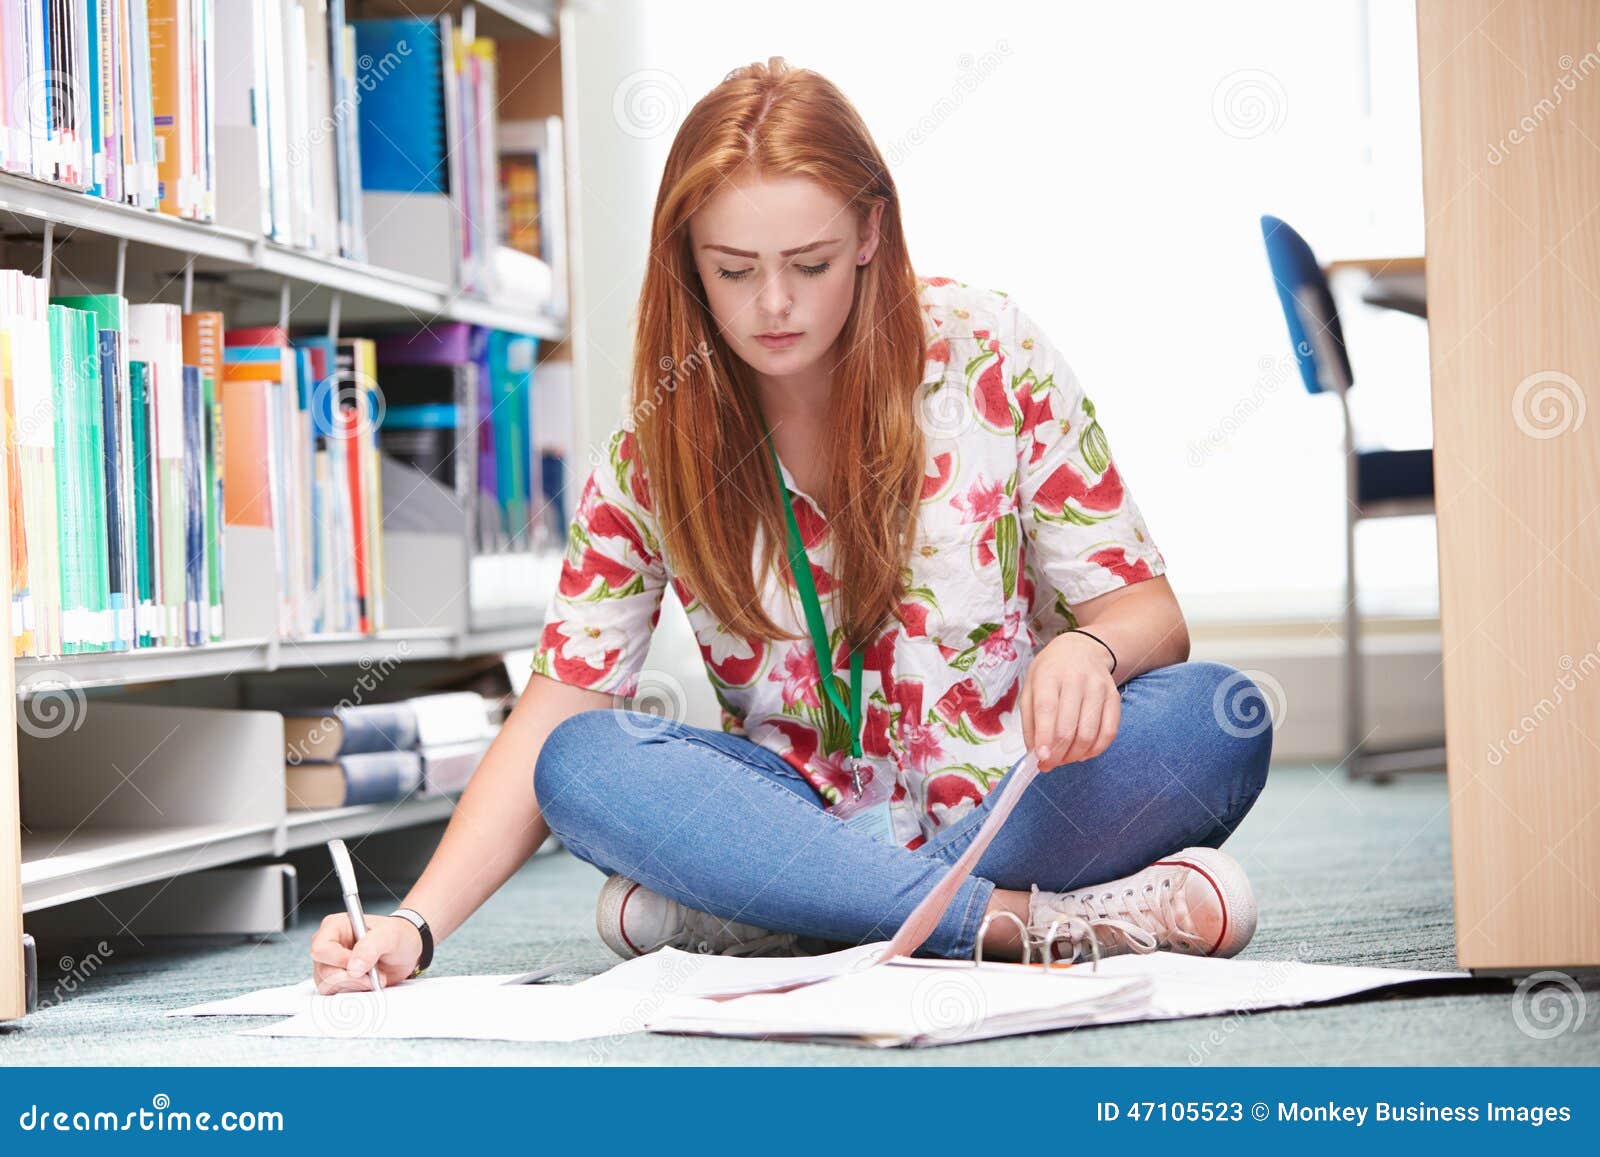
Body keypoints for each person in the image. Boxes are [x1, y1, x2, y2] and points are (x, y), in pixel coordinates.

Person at [310, 57, 1272, 994]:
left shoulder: (992, 351)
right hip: (795, 822)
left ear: (868, 232)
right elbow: (556, 712)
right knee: (581, 762)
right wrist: (413, 924)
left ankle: (783, 919)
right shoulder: (655, 449)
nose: (773, 305)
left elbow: (1150, 614)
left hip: (1017, 799)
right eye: (734, 270)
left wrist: (1096, 654)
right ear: (688, 261)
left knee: (1218, 716)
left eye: (808, 264)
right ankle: (1012, 922)